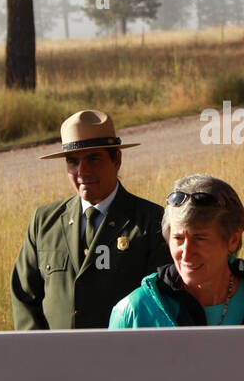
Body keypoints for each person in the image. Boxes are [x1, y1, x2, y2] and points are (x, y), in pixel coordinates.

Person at [11, 110, 170, 330]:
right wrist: (39, 354)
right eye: (72, 161)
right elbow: (24, 297)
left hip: (122, 357)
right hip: (55, 358)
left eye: (93, 158)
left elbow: (160, 303)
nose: (82, 171)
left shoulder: (151, 222)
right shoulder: (44, 222)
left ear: (117, 160)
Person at [109, 174, 244, 327]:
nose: (186, 253)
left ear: (233, 239)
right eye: (178, 238)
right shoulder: (133, 312)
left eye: (199, 238)